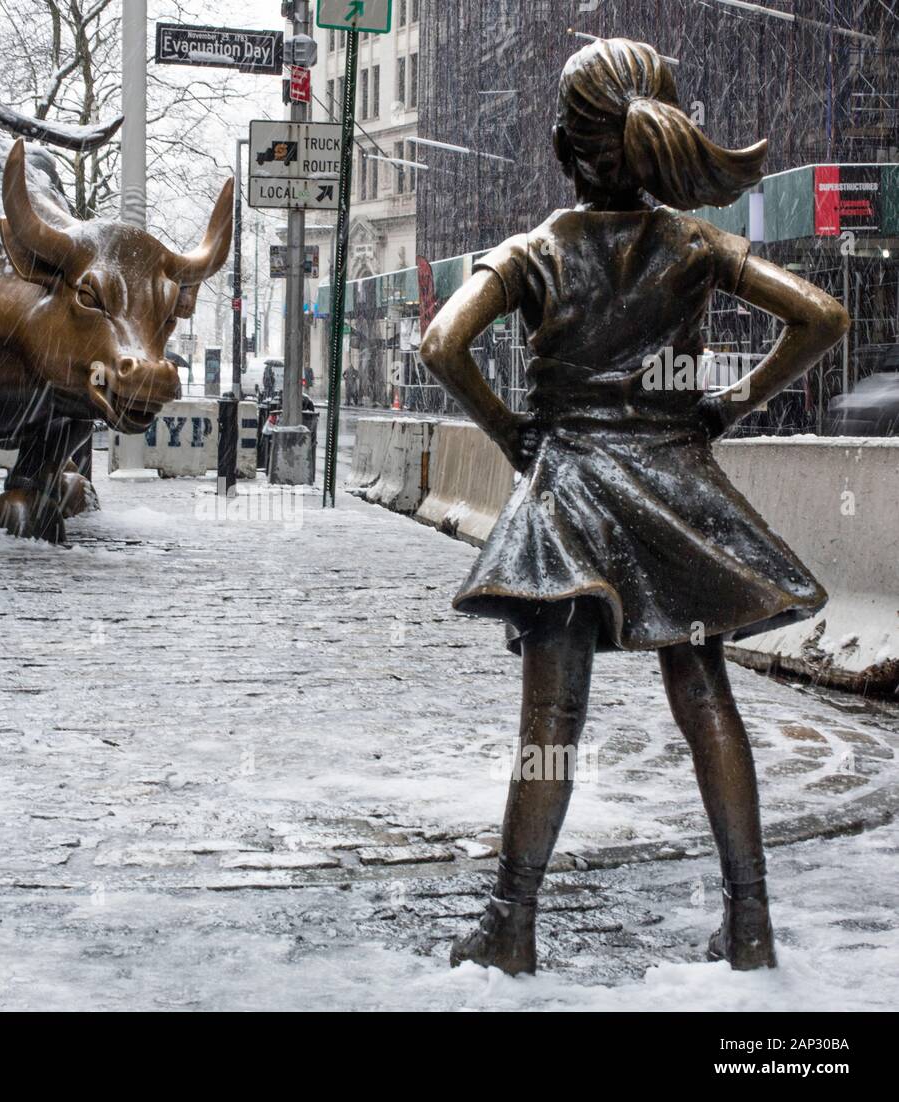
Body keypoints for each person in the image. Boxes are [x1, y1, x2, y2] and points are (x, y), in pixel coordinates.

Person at [419, 38, 849, 975]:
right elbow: (824, 315)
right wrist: (734, 401)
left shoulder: (534, 252)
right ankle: (749, 925)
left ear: (567, 148)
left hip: (568, 491)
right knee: (704, 694)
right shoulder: (694, 245)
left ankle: (514, 923)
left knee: (551, 722)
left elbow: (442, 345)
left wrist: (511, 433)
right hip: (672, 486)